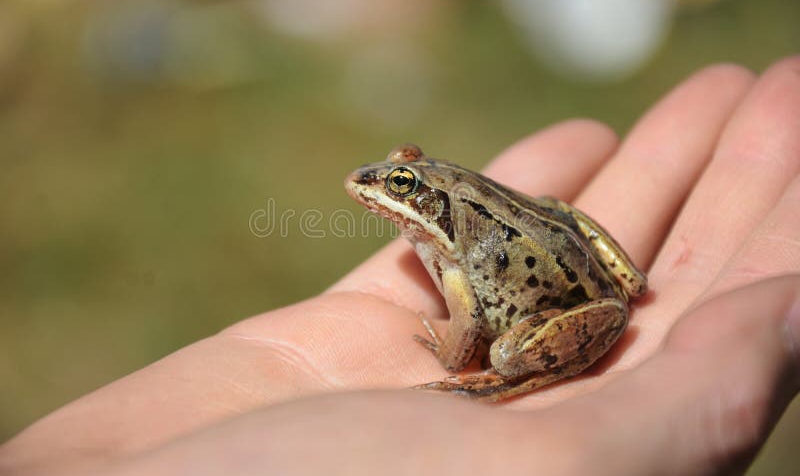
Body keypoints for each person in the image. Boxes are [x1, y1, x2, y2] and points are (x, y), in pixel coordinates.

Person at [2, 57, 800, 475]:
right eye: (396, 175)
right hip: (564, 242)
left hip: (550, 303)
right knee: (558, 208)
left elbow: (468, 336)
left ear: (430, 200)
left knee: (508, 354)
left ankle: (532, 375)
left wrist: (454, 354)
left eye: (406, 185)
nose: (380, 187)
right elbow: (553, 218)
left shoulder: (453, 264)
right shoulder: (441, 230)